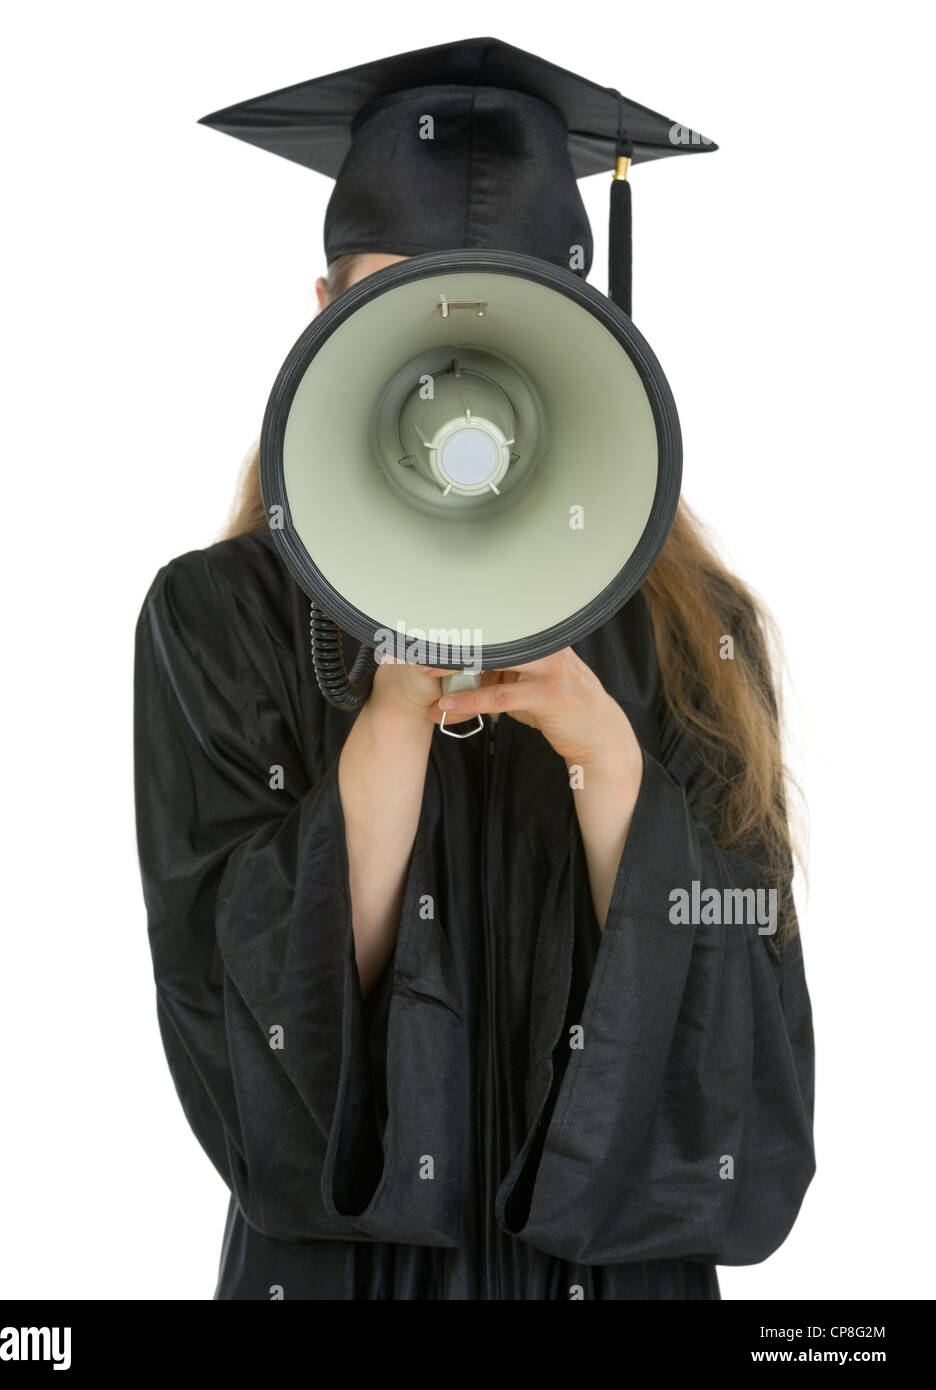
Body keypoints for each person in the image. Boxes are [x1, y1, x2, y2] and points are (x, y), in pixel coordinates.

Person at [132, 39, 815, 1301]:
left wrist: (610, 767)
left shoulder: (695, 629)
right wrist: (389, 720)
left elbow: (746, 1077)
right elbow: (245, 1049)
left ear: (581, 338)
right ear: (324, 319)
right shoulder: (214, 616)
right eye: (397, 298)